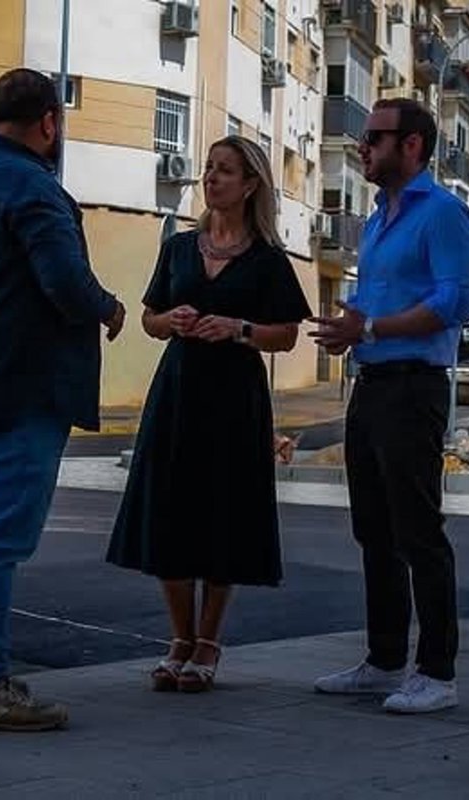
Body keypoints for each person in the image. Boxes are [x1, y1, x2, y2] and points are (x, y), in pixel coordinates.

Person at [0, 68, 126, 731]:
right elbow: (65, 280)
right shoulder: (29, 185)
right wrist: (108, 307)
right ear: (49, 122)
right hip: (24, 385)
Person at [106, 136, 311, 693]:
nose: (211, 178)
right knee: (170, 510)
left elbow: (287, 335)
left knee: (224, 513)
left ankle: (208, 643)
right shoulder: (178, 247)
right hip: (177, 391)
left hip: (235, 398)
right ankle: (179, 638)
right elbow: (149, 319)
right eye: (209, 168)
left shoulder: (267, 259)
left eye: (224, 171)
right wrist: (169, 321)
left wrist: (239, 329)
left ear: (250, 185)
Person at [309, 98, 469, 714]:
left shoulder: (444, 214)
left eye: (375, 137)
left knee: (418, 531)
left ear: (412, 145)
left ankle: (436, 672)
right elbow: (375, 304)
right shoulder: (379, 218)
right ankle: (383, 662)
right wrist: (352, 326)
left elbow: (456, 302)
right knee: (373, 530)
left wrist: (373, 328)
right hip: (373, 383)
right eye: (364, 137)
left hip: (414, 385)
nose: (362, 146)